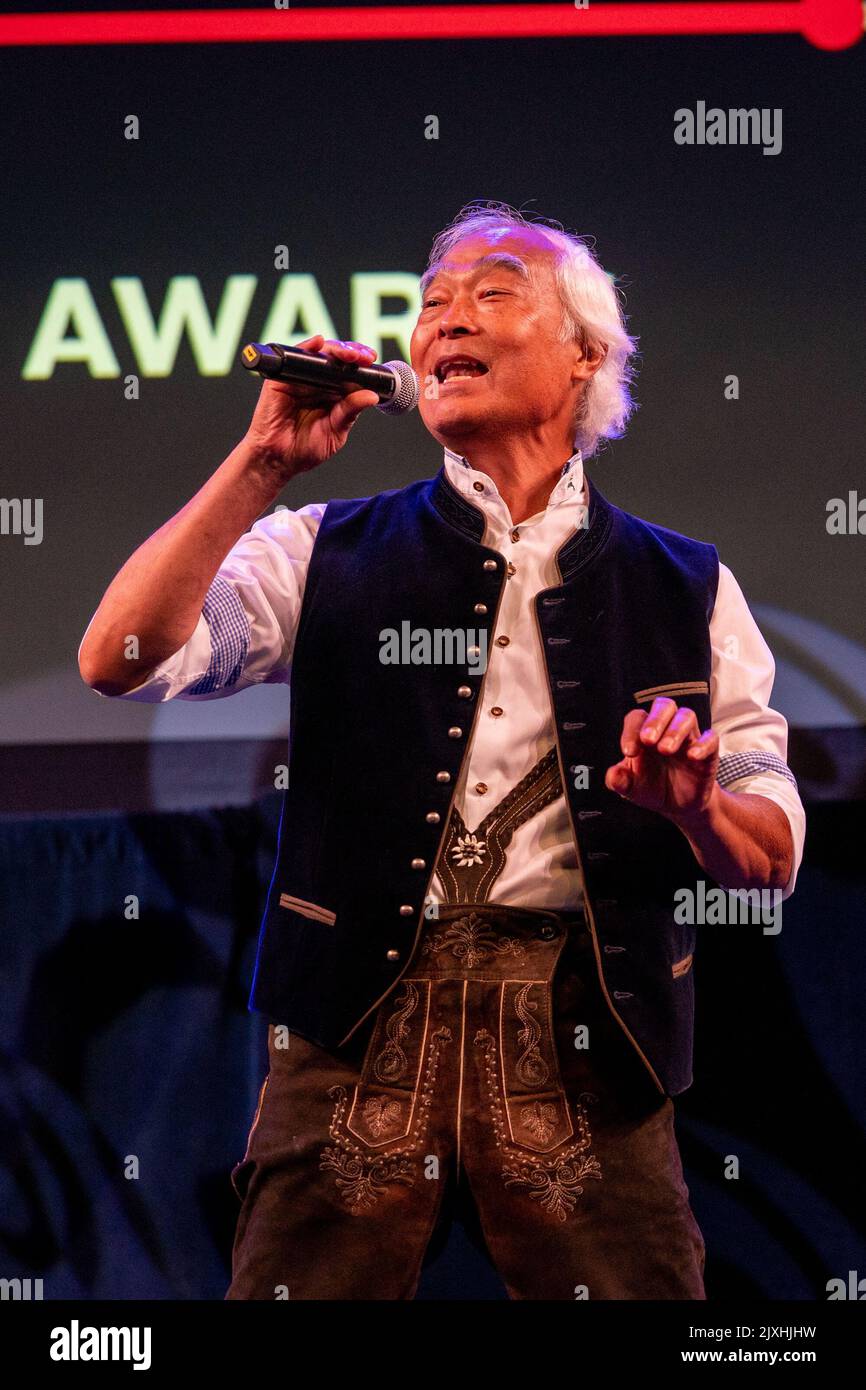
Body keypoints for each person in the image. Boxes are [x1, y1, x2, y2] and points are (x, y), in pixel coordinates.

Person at [78, 201, 805, 1300]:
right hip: (353, 1027)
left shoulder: (686, 585)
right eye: (428, 305)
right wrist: (262, 461)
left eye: (491, 292)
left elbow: (771, 852)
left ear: (583, 357)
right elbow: (116, 657)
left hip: (587, 1035)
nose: (442, 321)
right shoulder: (321, 548)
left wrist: (694, 806)